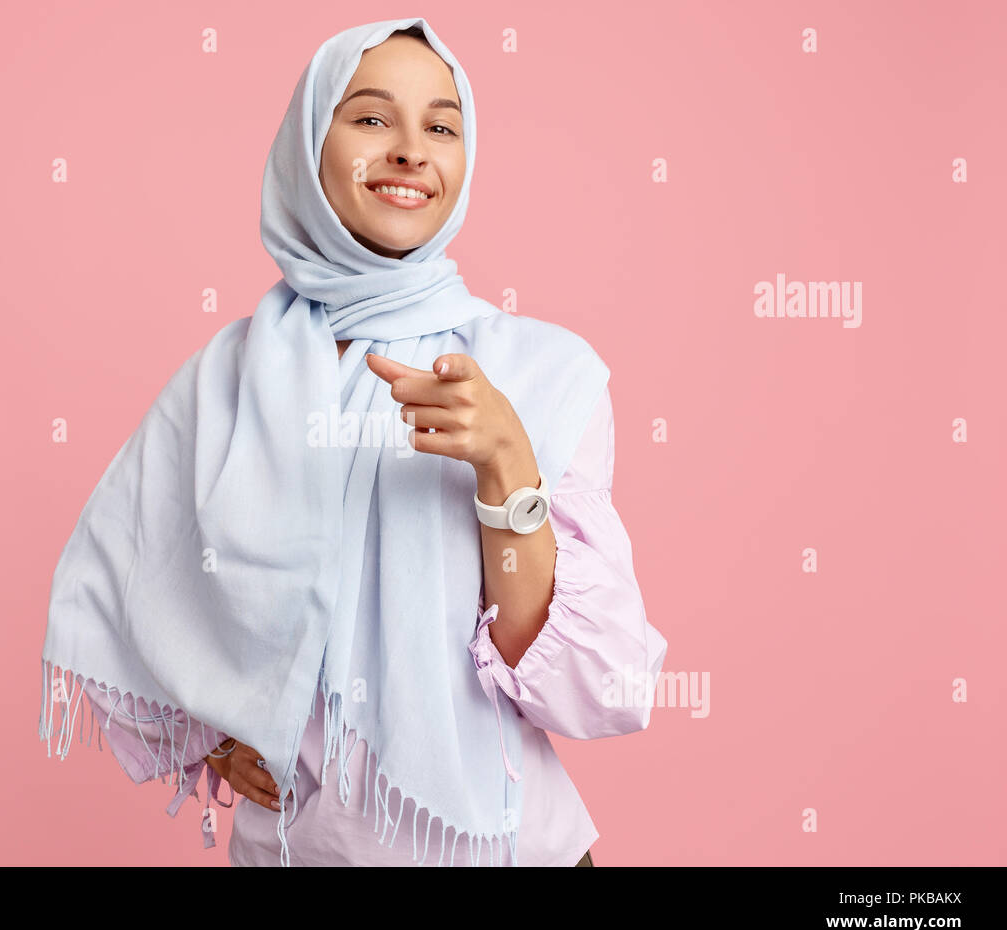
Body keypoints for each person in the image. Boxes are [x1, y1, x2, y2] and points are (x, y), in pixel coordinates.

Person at [39, 18, 667, 867]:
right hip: (293, 853)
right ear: (310, 142)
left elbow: (582, 688)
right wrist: (214, 725)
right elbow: (133, 579)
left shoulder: (541, 373)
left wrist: (506, 464)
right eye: (372, 118)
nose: (411, 151)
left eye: (442, 127)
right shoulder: (226, 377)